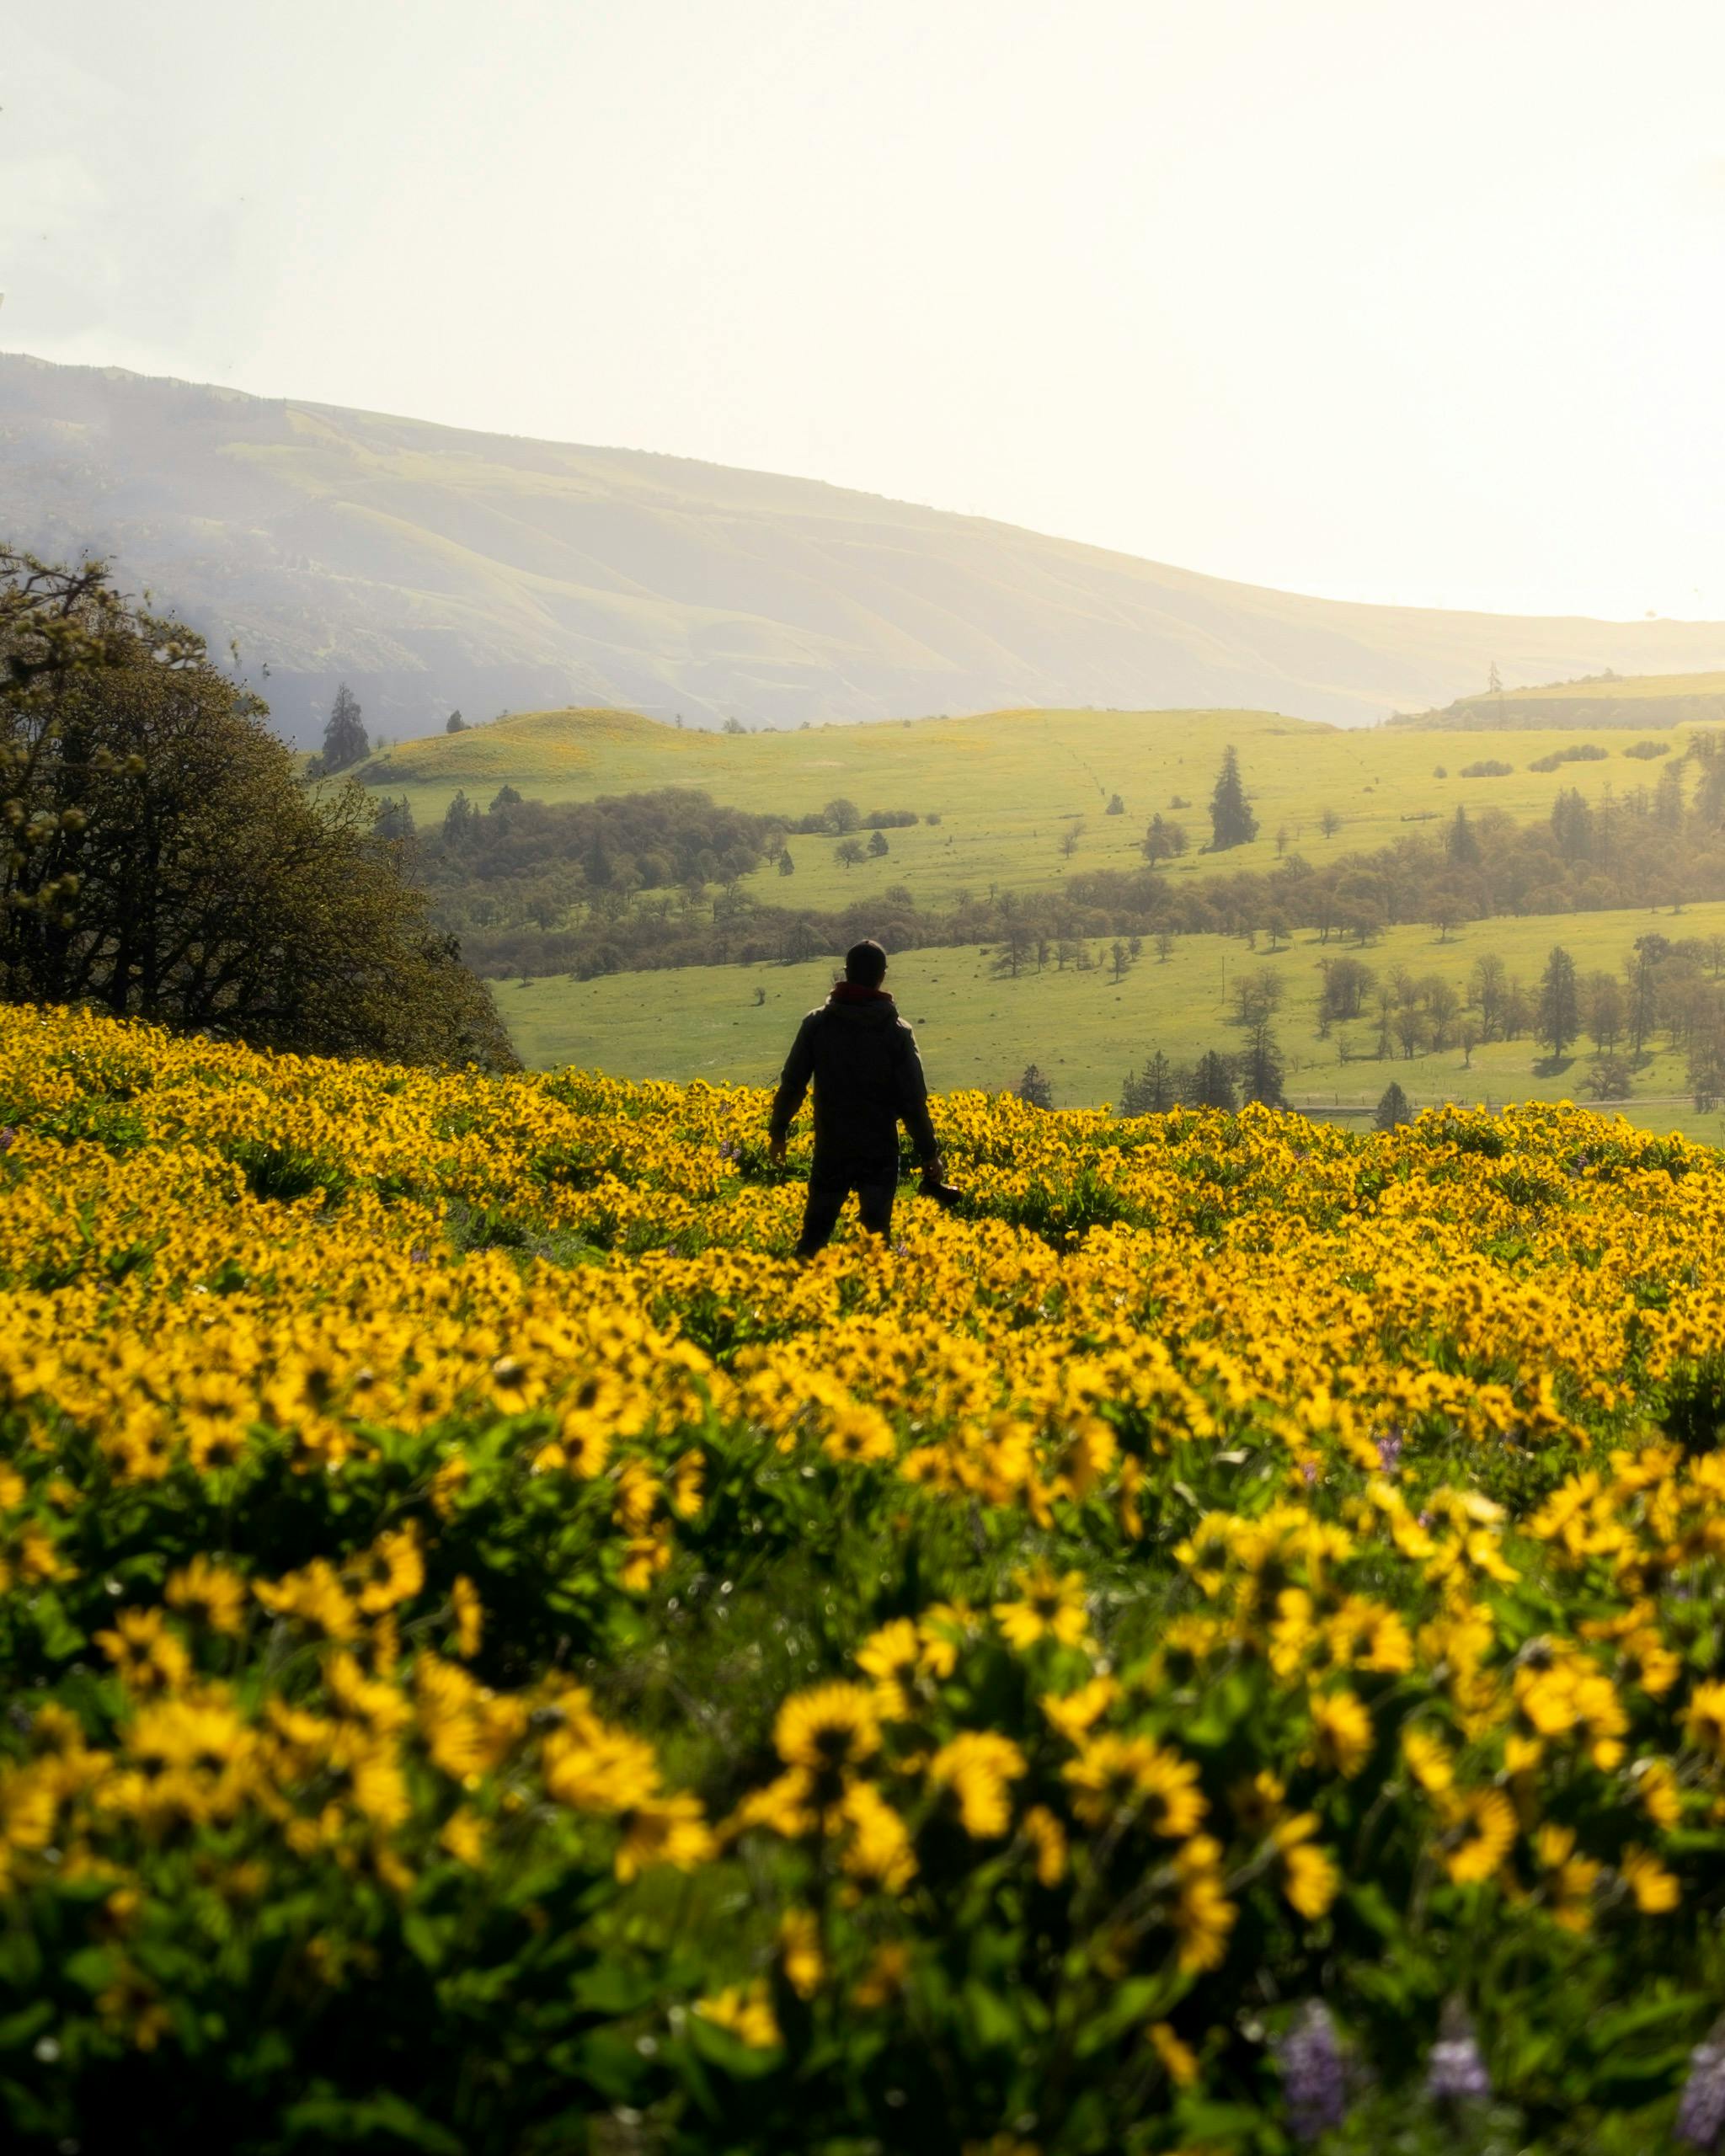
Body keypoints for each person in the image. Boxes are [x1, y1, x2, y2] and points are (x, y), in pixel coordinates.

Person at [768, 938, 946, 1257]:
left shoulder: (817, 1024)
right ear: (882, 976)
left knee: (814, 1235)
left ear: (846, 973)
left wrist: (779, 1132)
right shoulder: (896, 1031)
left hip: (832, 1146)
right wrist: (929, 1153)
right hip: (879, 1149)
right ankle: (870, 1300)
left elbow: (793, 1083)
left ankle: (793, 1298)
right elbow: (912, 1100)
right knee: (876, 1241)